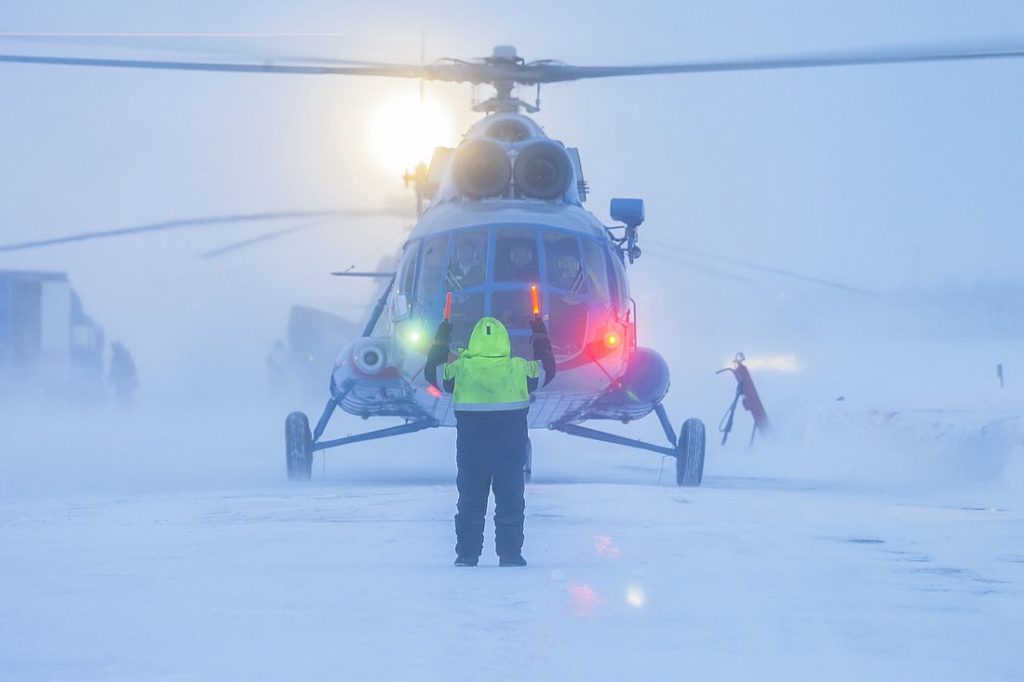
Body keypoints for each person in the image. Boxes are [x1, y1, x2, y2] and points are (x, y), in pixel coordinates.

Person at [425, 314, 556, 567]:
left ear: (474, 342)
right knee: (510, 504)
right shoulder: (519, 369)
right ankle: (510, 556)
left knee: (470, 505)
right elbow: (547, 370)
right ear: (504, 342)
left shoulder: (460, 370)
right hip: (510, 455)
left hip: (471, 455)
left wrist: (441, 340)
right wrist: (540, 335)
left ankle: (466, 556)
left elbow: (434, 373)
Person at [107, 341, 138, 407]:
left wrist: (110, 379)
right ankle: (126, 410)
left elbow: (113, 369)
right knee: (124, 397)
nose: (112, 350)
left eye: (113, 348)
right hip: (123, 382)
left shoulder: (120, 357)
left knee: (124, 397)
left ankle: (126, 410)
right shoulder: (121, 356)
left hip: (124, 382)